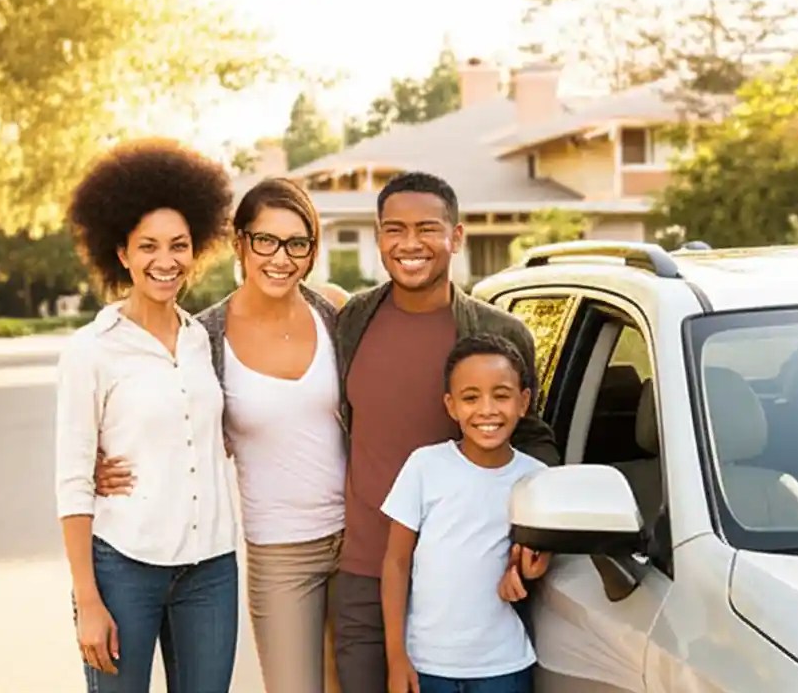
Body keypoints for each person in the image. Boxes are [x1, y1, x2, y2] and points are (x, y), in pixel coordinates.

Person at [95, 176, 347, 693]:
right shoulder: (205, 336)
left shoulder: (335, 313)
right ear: (240, 243)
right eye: (265, 241)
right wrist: (105, 462)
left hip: (361, 539)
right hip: (281, 550)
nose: (281, 257)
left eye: (297, 244)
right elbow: (176, 417)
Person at [332, 171, 559, 691]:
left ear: (456, 237)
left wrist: (535, 535)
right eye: (394, 230)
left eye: (427, 229)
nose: (410, 244)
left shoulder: (500, 333)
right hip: (369, 568)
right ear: (378, 237)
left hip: (473, 583)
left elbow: (533, 438)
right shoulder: (352, 321)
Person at [54, 137, 239, 693]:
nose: (166, 261)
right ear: (123, 254)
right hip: (123, 566)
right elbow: (71, 482)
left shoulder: (201, 339)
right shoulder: (93, 350)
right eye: (149, 246)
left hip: (210, 567)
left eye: (179, 246)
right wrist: (87, 599)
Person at [380, 334, 551, 693]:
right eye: (471, 398)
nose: (487, 409)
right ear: (451, 405)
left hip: (503, 665)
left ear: (523, 402)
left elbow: (532, 560)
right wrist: (396, 657)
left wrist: (524, 572)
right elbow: (396, 562)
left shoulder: (536, 479)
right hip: (427, 664)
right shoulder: (425, 466)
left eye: (501, 395)